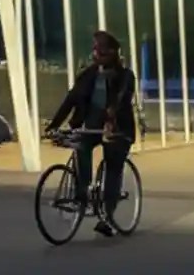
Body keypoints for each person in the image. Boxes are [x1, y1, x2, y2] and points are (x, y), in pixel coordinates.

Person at [44, 30, 137, 238]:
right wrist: (54, 124)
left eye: (101, 50)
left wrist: (112, 117)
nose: (96, 54)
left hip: (117, 129)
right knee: (80, 148)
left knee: (113, 165)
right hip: (90, 126)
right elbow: (71, 99)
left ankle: (108, 216)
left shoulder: (125, 76)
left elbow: (121, 99)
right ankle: (82, 191)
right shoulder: (88, 75)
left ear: (113, 52)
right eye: (94, 49)